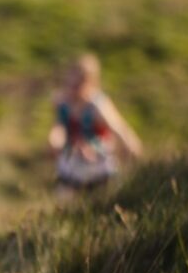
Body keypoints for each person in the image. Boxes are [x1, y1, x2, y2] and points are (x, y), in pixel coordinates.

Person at [49, 53, 142, 193]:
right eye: (71, 84)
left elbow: (118, 128)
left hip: (100, 166)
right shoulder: (63, 104)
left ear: (91, 82)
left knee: (105, 200)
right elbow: (59, 127)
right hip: (72, 166)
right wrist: (55, 140)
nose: (73, 89)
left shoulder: (98, 105)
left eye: (78, 84)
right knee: (66, 202)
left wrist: (130, 145)